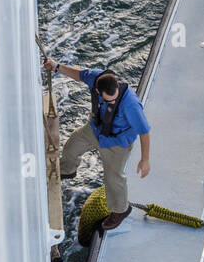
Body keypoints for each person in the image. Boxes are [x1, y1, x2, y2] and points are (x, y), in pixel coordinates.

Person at [43, 57, 151, 229]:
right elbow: (79, 74)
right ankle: (67, 170)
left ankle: (120, 210)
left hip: (117, 143)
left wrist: (144, 160)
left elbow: (144, 132)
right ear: (97, 91)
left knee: (113, 178)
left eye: (114, 99)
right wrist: (56, 66)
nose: (113, 102)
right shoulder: (96, 78)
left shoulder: (131, 105)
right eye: (108, 100)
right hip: (95, 130)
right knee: (71, 147)